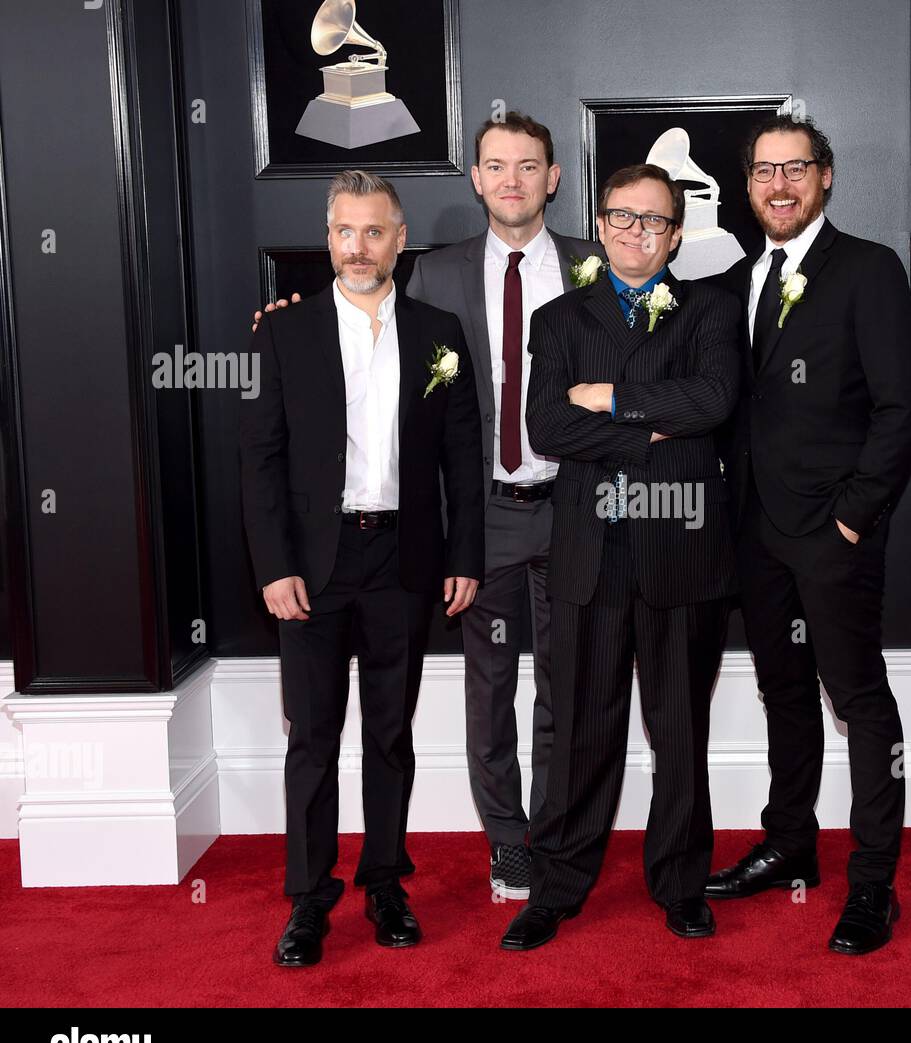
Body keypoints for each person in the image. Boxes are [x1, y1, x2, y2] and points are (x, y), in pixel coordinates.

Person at [255, 112, 602, 901]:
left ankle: (554, 835)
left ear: (553, 178)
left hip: (577, 507)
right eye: (495, 165)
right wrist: (282, 326)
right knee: (490, 690)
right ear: (475, 179)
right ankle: (507, 841)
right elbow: (380, 363)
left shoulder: (591, 265)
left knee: (569, 683)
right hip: (483, 512)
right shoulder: (436, 276)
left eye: (528, 165)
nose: (511, 179)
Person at [241, 170, 483, 967]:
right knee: (312, 736)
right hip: (313, 564)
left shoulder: (441, 332)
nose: (357, 247)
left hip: (403, 560)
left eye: (373, 231)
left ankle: (385, 883)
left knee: (390, 732)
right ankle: (310, 901)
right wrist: (274, 566)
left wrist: (463, 555)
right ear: (328, 238)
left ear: (400, 239)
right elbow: (262, 462)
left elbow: (461, 455)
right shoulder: (284, 332)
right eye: (344, 231)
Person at [499, 164, 742, 950]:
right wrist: (650, 429)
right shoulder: (561, 317)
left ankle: (680, 883)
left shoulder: (711, 309)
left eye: (655, 221)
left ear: (677, 233)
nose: (638, 232)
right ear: (601, 225)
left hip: (684, 555)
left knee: (680, 732)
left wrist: (606, 397)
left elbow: (712, 403)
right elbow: (547, 430)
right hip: (589, 558)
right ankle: (558, 884)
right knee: (581, 731)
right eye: (623, 218)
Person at [705, 116, 911, 957]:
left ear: (826, 177)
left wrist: (852, 515)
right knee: (784, 694)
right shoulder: (733, 282)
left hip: (833, 535)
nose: (780, 184)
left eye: (796, 168)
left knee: (859, 701)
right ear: (749, 184)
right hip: (753, 533)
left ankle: (874, 882)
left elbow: (904, 407)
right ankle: (789, 841)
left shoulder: (868, 269)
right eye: (765, 171)